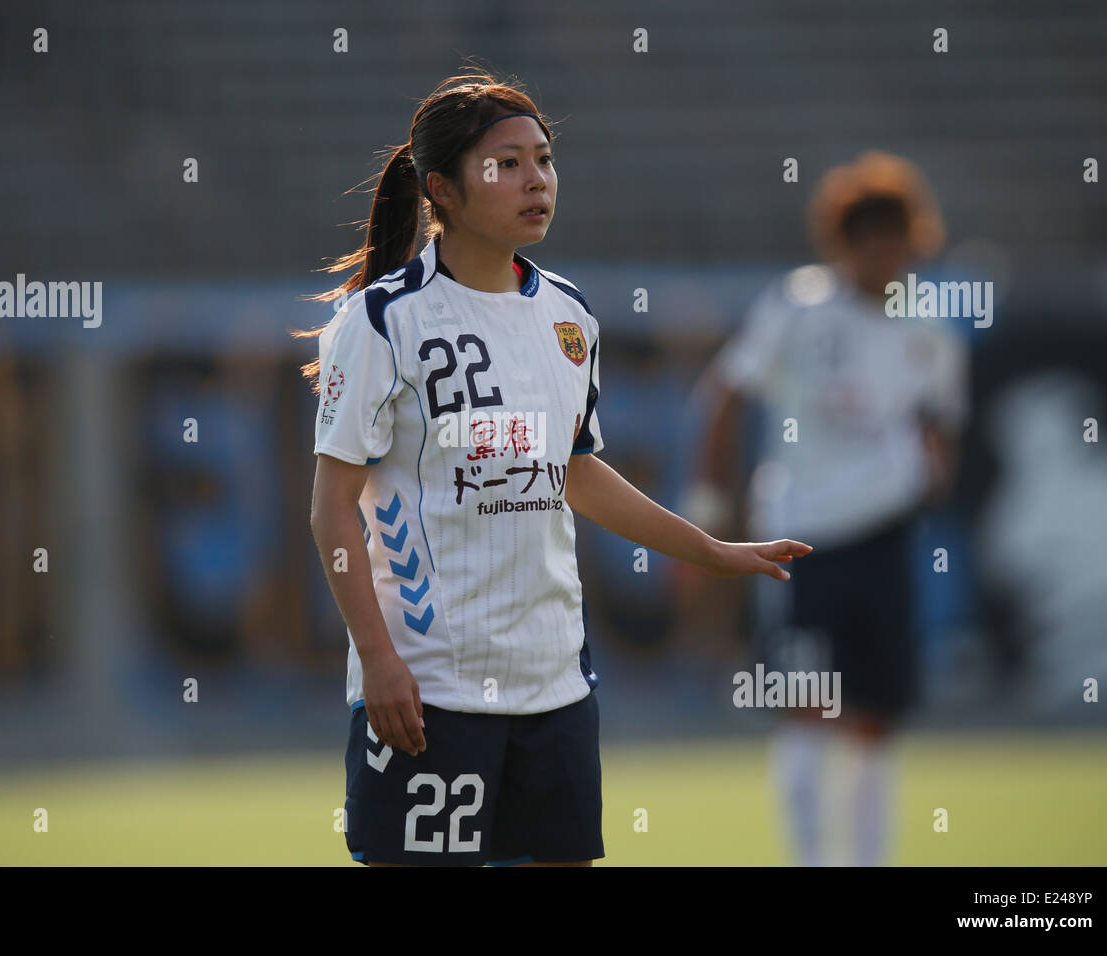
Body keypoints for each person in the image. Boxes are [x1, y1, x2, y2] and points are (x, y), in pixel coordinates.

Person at [298, 67, 812, 867]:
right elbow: (333, 510)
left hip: (555, 683)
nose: (536, 180)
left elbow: (575, 472)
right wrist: (378, 658)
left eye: (543, 159)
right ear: (444, 188)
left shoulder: (568, 316)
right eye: (507, 164)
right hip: (429, 686)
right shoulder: (380, 321)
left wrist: (710, 549)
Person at [684, 151, 968, 865]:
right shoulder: (797, 306)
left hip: (885, 541)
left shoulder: (928, 328)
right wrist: (711, 506)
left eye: (895, 235)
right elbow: (725, 394)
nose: (884, 251)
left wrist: (932, 471)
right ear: (842, 242)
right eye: (868, 235)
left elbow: (940, 426)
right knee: (807, 710)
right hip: (802, 539)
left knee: (875, 718)